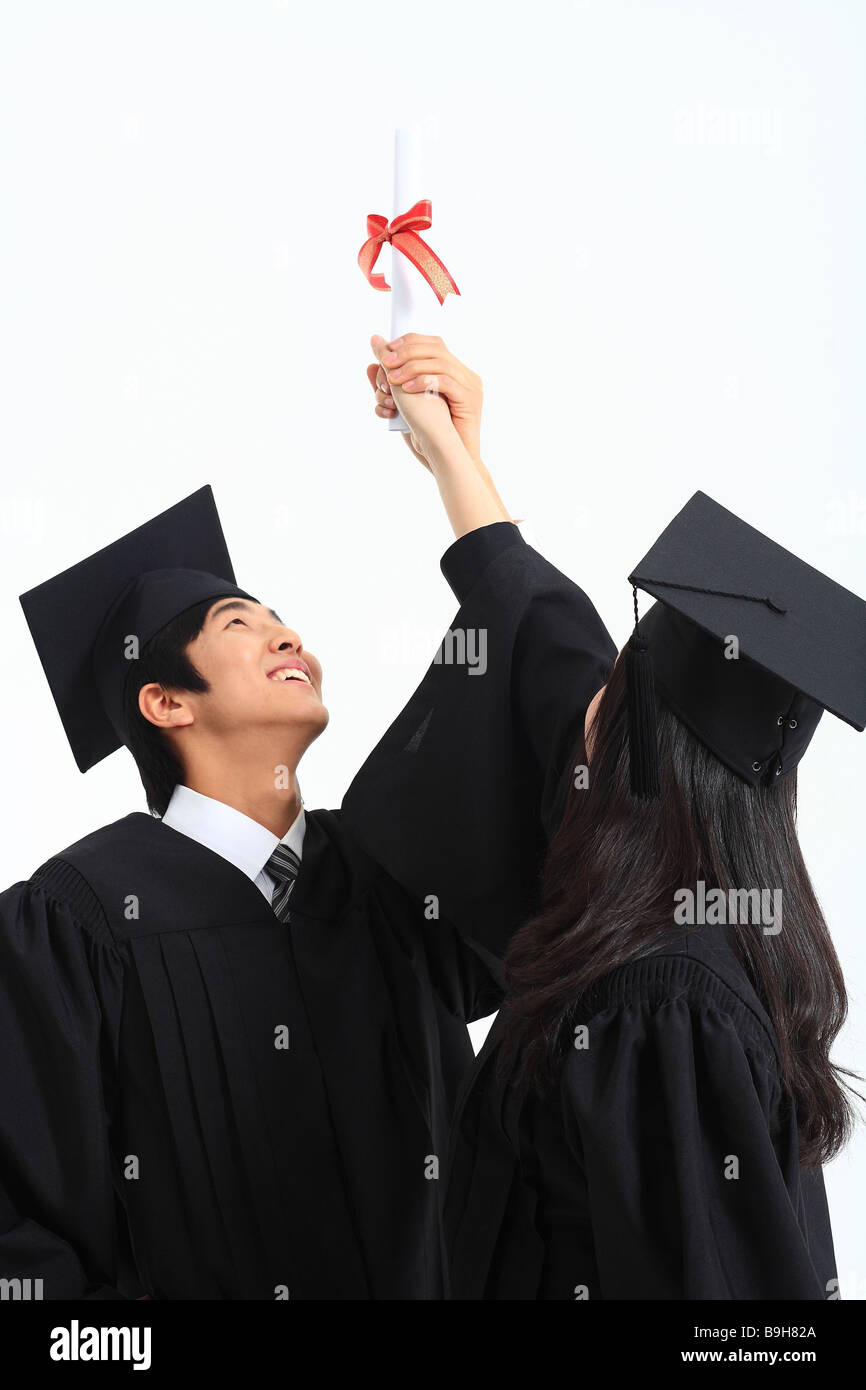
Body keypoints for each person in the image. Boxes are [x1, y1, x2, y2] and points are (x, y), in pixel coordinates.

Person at [0, 334, 615, 1299]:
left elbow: (577, 737)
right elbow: (28, 1225)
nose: (288, 632)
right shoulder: (74, 921)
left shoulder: (386, 882)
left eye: (283, 616)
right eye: (240, 624)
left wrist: (460, 466)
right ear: (167, 703)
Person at [443, 491, 866, 1300]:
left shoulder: (662, 1004)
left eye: (612, 686)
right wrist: (457, 467)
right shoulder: (723, 953)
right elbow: (547, 642)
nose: (588, 703)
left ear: (633, 746)